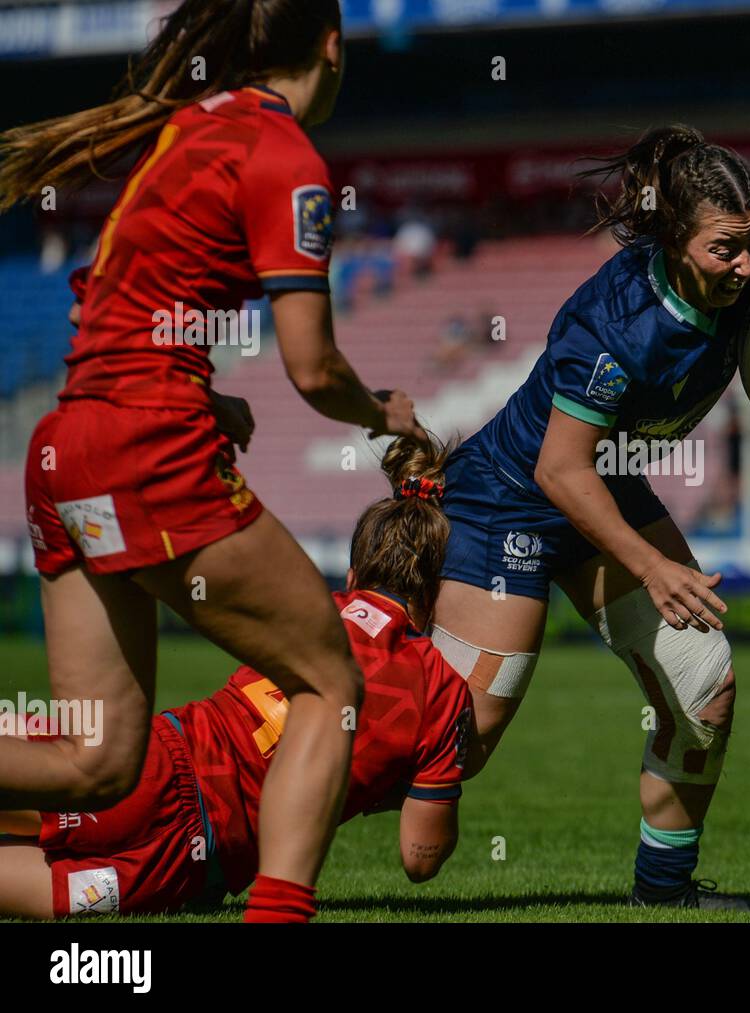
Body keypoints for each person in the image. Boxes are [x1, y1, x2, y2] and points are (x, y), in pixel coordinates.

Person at [0, 0, 427, 922]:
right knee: (329, 681)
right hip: (147, 446)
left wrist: (199, 394)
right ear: (331, 43)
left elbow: (114, 315)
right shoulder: (284, 153)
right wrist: (383, 410)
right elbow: (313, 368)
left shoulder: (188, 127)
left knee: (98, 760)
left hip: (67, 442)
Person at [429, 124, 750, 908]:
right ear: (675, 239)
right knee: (456, 748)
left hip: (605, 487)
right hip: (510, 496)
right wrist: (652, 566)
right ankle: (243, 805)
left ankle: (664, 893)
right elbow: (558, 468)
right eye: (725, 250)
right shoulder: (616, 320)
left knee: (703, 684)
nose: (748, 266)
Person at [0, 437, 473, 918]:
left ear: (353, 576)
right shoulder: (443, 689)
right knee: (46, 893)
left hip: (157, 759)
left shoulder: (309, 613)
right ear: (439, 591)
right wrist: (405, 788)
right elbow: (419, 859)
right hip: (185, 862)